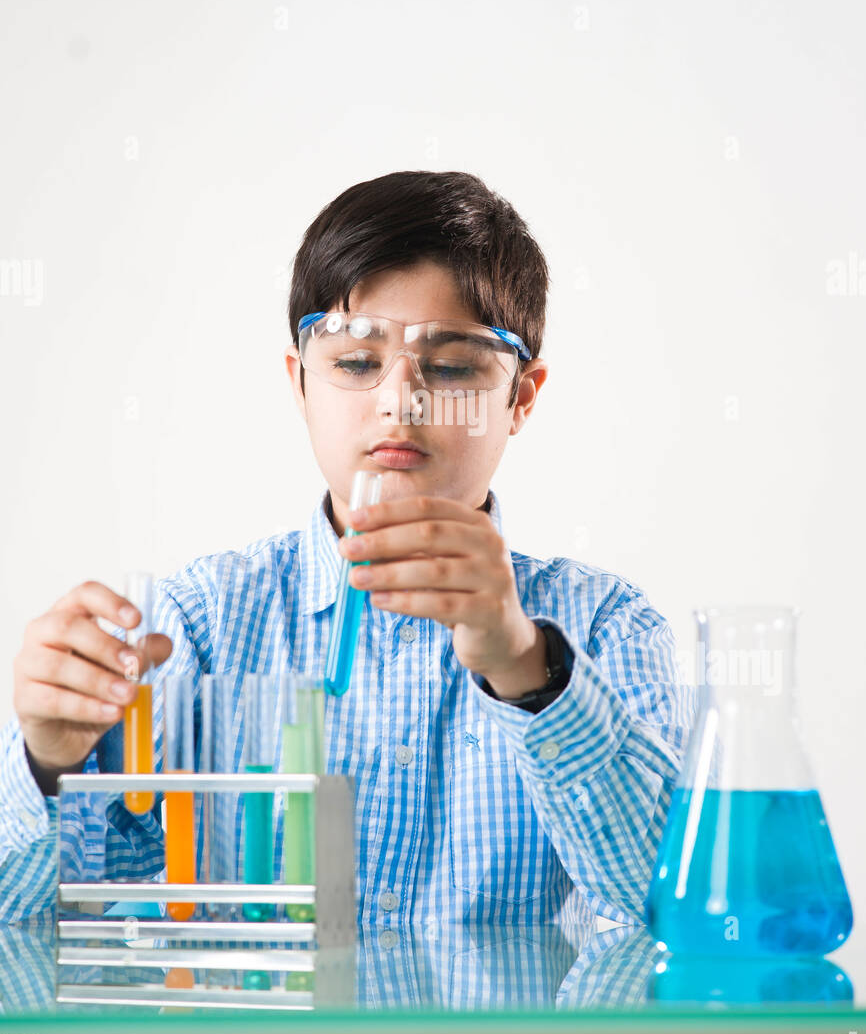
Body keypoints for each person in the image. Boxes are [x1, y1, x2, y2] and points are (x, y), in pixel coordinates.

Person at [0, 170, 698, 929]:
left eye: (454, 364)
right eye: (356, 363)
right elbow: (52, 920)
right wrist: (50, 760)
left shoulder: (603, 629)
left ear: (520, 398)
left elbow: (676, 911)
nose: (400, 399)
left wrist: (526, 667)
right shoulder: (196, 626)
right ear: (301, 384)